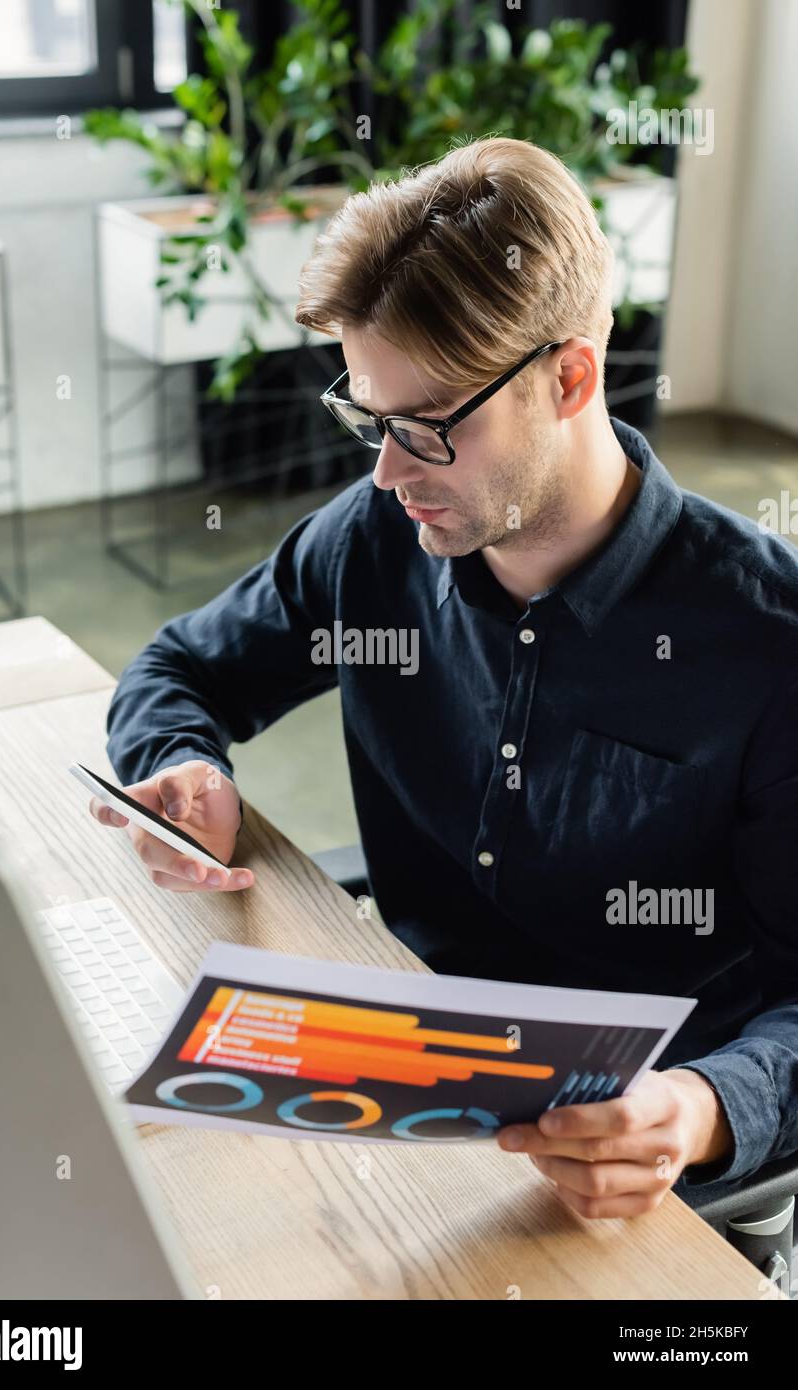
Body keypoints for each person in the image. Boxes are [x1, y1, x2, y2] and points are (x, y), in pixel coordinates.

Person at [96, 137, 798, 1220]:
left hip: (638, 1161)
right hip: (402, 1083)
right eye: (369, 420)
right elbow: (180, 665)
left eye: (426, 429)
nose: (387, 471)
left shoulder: (765, 638)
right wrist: (184, 765)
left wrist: (704, 1109)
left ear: (571, 377)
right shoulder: (375, 538)